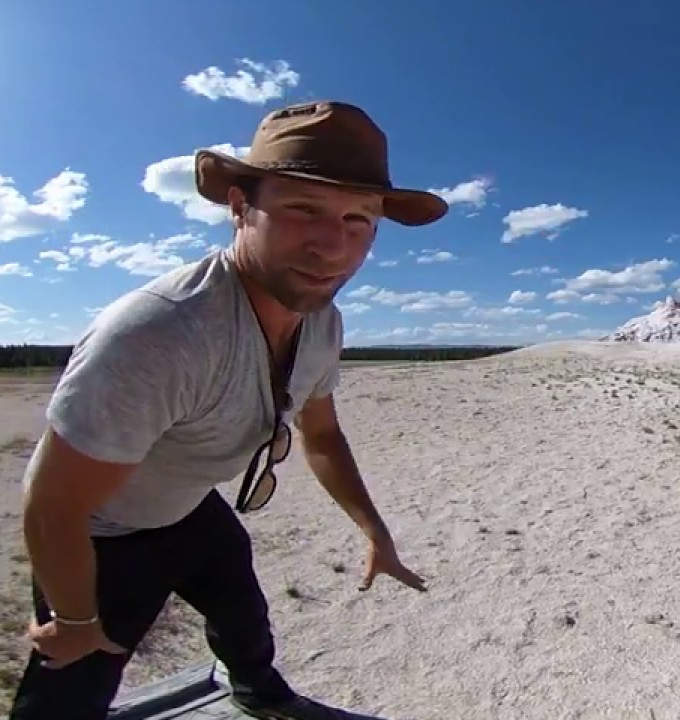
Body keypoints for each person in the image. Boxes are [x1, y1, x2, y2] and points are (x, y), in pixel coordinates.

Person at [10, 101, 450, 720]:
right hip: (104, 539)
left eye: (360, 219)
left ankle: (256, 695)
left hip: (190, 510)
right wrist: (76, 619)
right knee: (71, 688)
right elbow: (54, 502)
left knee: (243, 614)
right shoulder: (160, 334)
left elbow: (320, 434)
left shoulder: (320, 321)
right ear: (241, 207)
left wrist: (373, 530)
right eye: (304, 209)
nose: (333, 245)